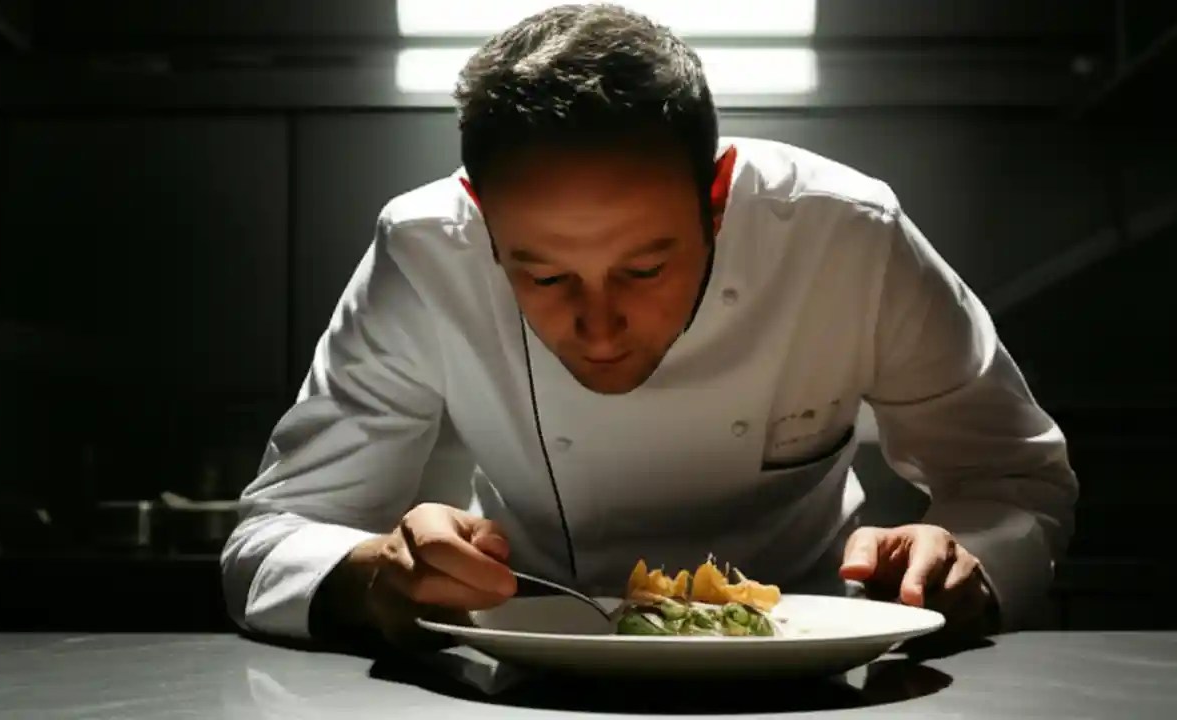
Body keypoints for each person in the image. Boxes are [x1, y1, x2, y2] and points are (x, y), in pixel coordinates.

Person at [221, 3, 1077, 648]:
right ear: (479, 215)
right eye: (544, 273)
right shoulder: (422, 250)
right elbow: (268, 538)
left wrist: (960, 554)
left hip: (812, 658)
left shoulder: (845, 232)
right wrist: (376, 571)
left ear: (717, 198)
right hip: (530, 657)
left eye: (644, 268)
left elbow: (1012, 477)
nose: (598, 326)